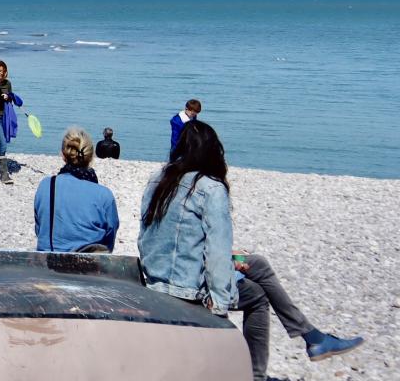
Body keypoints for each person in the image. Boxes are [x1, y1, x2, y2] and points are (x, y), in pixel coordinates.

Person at [138, 120, 363, 379]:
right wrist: (218, 303)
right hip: (185, 286)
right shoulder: (211, 188)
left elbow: (147, 236)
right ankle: (259, 374)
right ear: (212, 152)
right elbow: (216, 251)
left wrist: (225, 260)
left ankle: (312, 337)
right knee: (257, 295)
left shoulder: (159, 180)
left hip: (156, 276)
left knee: (258, 263)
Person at [33, 127, 118, 252]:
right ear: (91, 156)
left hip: (48, 261)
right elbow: (110, 239)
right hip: (91, 262)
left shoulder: (46, 186)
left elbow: (39, 229)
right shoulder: (104, 195)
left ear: (63, 155)